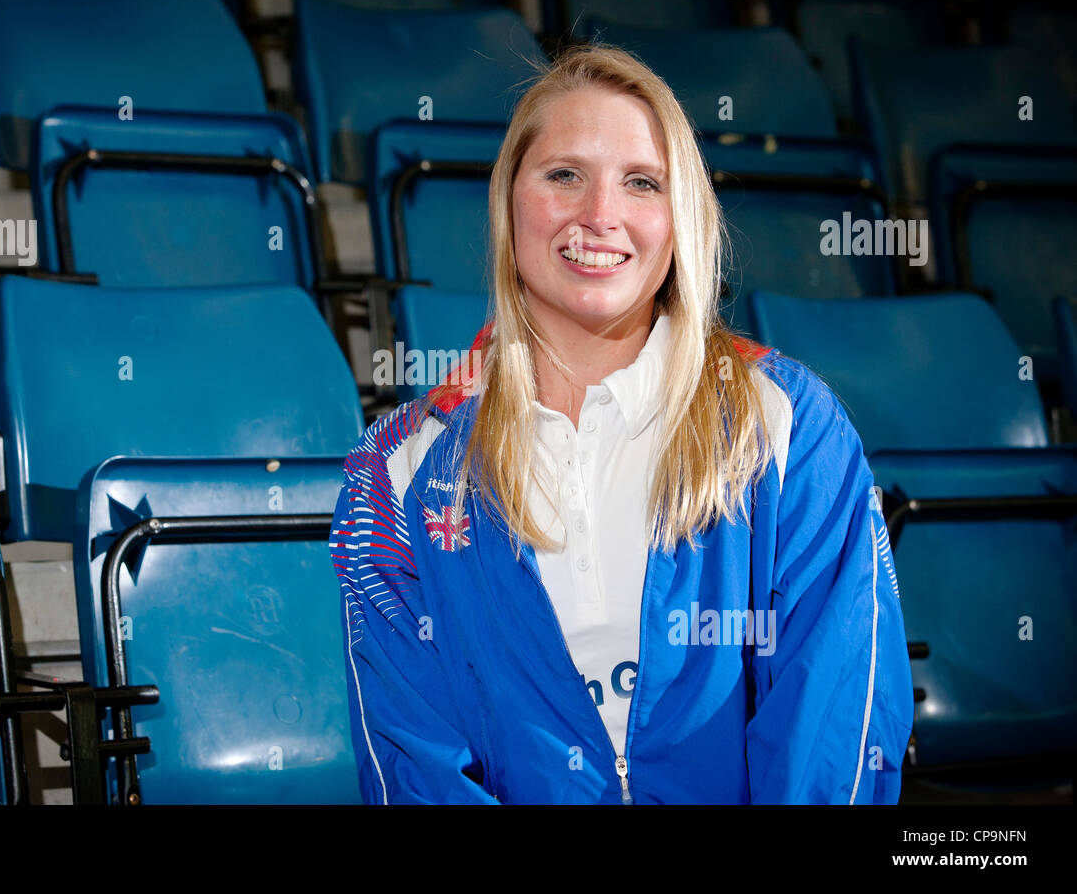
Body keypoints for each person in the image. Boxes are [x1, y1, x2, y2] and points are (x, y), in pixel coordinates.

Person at [329, 44, 913, 804]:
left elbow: (834, 725)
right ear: (510, 203)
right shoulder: (399, 471)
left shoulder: (790, 426)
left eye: (642, 182)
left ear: (681, 220)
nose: (599, 215)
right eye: (564, 174)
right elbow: (411, 762)